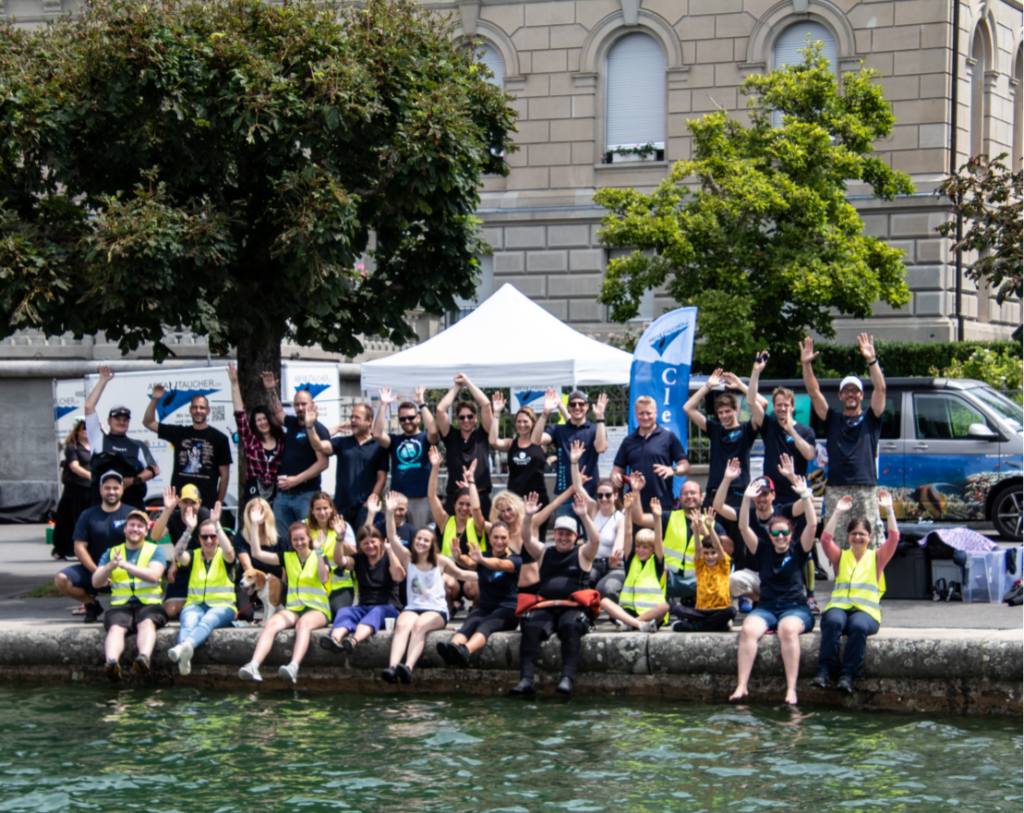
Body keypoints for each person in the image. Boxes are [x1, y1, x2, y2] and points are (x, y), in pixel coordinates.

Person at [729, 475, 818, 705]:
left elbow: (813, 524)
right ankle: (742, 686)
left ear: (790, 535)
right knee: (747, 629)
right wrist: (747, 500)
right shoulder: (762, 550)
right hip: (767, 607)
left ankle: (791, 689)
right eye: (776, 533)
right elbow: (743, 526)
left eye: (784, 533)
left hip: (795, 609)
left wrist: (805, 494)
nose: (780, 537)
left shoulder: (799, 551)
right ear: (769, 535)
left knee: (787, 630)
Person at [381, 493, 478, 683]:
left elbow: (463, 575)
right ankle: (392, 667)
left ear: (432, 544)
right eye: (418, 539)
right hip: (413, 608)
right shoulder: (409, 559)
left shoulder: (440, 561)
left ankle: (407, 667)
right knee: (402, 624)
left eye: (426, 540)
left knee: (418, 626)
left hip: (436, 611)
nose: (421, 543)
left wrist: (489, 575)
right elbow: (392, 537)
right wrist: (389, 512)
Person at [801, 333, 886, 549]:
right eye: (846, 391)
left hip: (865, 487)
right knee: (837, 544)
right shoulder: (832, 420)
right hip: (837, 488)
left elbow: (881, 389)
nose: (850, 395)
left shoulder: (871, 418)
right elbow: (813, 391)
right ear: (840, 396)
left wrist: (871, 360)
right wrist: (806, 364)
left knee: (870, 543)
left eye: (854, 391)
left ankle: (871, 583)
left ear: (861, 395)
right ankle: (841, 582)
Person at [512, 492, 601, 696]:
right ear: (555, 534)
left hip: (574, 606)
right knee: (531, 628)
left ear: (575, 536)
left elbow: (595, 540)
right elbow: (526, 538)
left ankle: (566, 679)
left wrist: (584, 516)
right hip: (546, 606)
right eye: (559, 533)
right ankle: (526, 680)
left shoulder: (583, 553)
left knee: (570, 627)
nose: (563, 537)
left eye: (568, 534)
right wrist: (527, 516)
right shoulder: (544, 551)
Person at [811, 491, 900, 693]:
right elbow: (825, 539)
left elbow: (894, 538)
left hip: (866, 613)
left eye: (862, 534)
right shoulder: (840, 556)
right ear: (848, 537)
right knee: (833, 622)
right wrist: (837, 512)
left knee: (858, 626)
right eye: (854, 534)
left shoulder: (877, 557)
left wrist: (888, 510)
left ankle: (848, 675)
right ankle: (824, 671)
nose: (858, 537)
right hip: (839, 609)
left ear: (869, 537)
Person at [239, 517, 332, 684]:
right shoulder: (287, 557)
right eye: (295, 539)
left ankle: (293, 667)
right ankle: (253, 665)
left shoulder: (320, 555)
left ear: (309, 538)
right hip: (294, 608)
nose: (299, 542)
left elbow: (324, 578)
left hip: (318, 609)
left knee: (302, 624)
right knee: (271, 624)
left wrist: (318, 551)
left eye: (302, 538)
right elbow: (256, 554)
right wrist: (254, 525)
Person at [714, 456, 813, 612]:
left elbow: (809, 499)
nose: (761, 498)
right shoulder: (747, 513)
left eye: (765, 494)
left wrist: (791, 476)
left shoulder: (784, 511)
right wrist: (726, 479)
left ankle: (783, 599)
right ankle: (760, 599)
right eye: (758, 494)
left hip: (782, 573)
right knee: (732, 581)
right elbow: (718, 507)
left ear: (773, 495)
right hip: (756, 575)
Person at [91, 509, 167, 680]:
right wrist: (110, 566)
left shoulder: (156, 550)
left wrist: (126, 566)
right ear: (124, 529)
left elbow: (154, 576)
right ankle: (111, 663)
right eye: (131, 525)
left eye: (140, 526)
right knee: (116, 628)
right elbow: (95, 582)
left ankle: (143, 658)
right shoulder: (111, 552)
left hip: (149, 604)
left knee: (146, 623)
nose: (135, 529)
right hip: (121, 605)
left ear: (146, 531)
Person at [629, 472, 729, 601]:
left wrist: (706, 533)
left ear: (702, 497)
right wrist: (636, 491)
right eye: (685, 494)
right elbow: (639, 519)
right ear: (680, 499)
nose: (689, 496)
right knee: (655, 566)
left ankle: (698, 606)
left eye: (693, 493)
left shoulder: (711, 522)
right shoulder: (668, 517)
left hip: (698, 580)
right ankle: (659, 608)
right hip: (669, 578)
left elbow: (729, 548)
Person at [437, 520, 522, 668]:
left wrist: (481, 560)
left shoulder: (515, 559)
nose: (499, 541)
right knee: (470, 623)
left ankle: (465, 651)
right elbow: (470, 563)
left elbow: (499, 564)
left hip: (508, 610)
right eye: (495, 537)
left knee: (485, 623)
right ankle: (451, 648)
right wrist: (458, 557)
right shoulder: (483, 555)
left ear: (509, 538)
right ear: (489, 538)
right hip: (485, 606)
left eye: (503, 537)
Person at [166, 505, 237, 676]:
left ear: (218, 537)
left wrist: (217, 524)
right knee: (188, 622)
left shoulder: (224, 555)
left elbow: (229, 551)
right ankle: (184, 657)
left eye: (213, 536)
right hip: (195, 604)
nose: (209, 540)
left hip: (223, 606)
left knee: (207, 620)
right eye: (204, 536)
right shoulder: (194, 555)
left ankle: (183, 646)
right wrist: (189, 529)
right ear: (199, 538)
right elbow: (178, 554)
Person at [683, 366, 765, 512]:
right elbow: (688, 408)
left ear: (736, 410)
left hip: (737, 491)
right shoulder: (715, 429)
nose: (724, 415)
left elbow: (763, 404)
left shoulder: (746, 429)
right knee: (710, 534)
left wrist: (740, 385)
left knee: (733, 535)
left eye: (728, 411)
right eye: (720, 413)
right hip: (714, 491)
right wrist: (708, 386)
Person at [55, 471, 132, 623]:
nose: (111, 492)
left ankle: (130, 607)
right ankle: (91, 604)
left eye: (116, 488)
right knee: (61, 579)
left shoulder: (132, 513)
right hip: (94, 570)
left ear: (122, 490)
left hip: (125, 572)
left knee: (122, 617)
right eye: (107, 488)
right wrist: (98, 572)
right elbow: (79, 547)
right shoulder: (87, 515)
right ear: (100, 490)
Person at [143, 382, 232, 508]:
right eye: (195, 407)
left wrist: (219, 504)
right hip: (179, 502)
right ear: (190, 410)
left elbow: (225, 476)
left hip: (206, 503)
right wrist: (155, 399)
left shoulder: (220, 438)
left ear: (208, 411)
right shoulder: (179, 433)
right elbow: (148, 423)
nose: (198, 411)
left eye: (202, 408)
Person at [320, 525, 406, 655]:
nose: (370, 546)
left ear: (380, 541)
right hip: (364, 607)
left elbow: (399, 576)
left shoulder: (389, 558)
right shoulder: (359, 559)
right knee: (344, 611)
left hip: (389, 608)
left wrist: (390, 551)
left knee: (377, 611)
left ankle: (354, 640)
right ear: (360, 544)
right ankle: (334, 640)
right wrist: (339, 539)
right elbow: (339, 561)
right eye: (365, 543)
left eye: (373, 542)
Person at [261, 371, 330, 530]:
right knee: (284, 541)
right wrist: (271, 390)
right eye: (297, 404)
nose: (300, 408)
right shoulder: (292, 423)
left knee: (309, 538)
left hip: (306, 496)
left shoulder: (319, 430)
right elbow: (278, 413)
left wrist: (296, 480)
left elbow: (323, 463)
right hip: (283, 495)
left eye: (304, 404)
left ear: (312, 405)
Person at [746, 352, 817, 505]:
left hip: (796, 495)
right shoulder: (768, 426)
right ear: (774, 406)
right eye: (779, 405)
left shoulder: (806, 431)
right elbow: (751, 401)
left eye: (786, 405)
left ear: (793, 406)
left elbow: (810, 454)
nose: (782, 408)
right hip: (772, 495)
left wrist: (791, 430)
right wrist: (756, 372)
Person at [83, 366, 159, 508]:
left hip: (132, 505)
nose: (121, 422)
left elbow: (154, 469)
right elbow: (88, 407)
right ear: (109, 421)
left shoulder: (137, 445)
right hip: (102, 506)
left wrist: (133, 481)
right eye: (117, 418)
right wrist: (103, 381)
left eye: (125, 419)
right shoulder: (98, 439)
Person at [530, 388, 609, 519]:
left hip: (589, 494)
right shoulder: (558, 429)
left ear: (587, 406)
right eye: (573, 404)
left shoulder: (596, 429)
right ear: (568, 407)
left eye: (581, 404)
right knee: (564, 538)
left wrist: (600, 417)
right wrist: (545, 412)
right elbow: (535, 440)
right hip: (564, 496)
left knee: (592, 538)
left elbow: (601, 448)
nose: (577, 407)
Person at [306, 401, 388, 527]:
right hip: (341, 506)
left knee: (363, 542)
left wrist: (369, 503)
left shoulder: (379, 446)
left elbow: (381, 478)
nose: (353, 420)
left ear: (369, 421)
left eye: (357, 418)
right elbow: (319, 445)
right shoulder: (341, 442)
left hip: (364, 507)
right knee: (341, 542)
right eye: (352, 417)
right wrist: (310, 427)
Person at [427, 446, 487, 613]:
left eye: (468, 504)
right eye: (461, 503)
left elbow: (476, 508)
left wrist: (472, 483)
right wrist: (435, 468)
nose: (464, 507)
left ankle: (476, 608)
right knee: (442, 581)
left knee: (477, 585)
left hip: (472, 573)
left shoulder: (476, 523)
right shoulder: (446, 521)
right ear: (454, 504)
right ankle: (450, 607)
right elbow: (432, 497)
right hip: (451, 574)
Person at [371, 385, 439, 529]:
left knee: (420, 540)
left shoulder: (425, 438)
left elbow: (433, 431)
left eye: (411, 417)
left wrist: (421, 403)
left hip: (421, 498)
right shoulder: (395, 440)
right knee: (396, 538)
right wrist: (383, 405)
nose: (407, 421)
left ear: (418, 417)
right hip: (397, 499)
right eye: (403, 419)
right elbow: (377, 434)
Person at [600, 494, 670, 632]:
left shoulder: (657, 562)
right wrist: (628, 510)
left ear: (652, 549)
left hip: (650, 612)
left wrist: (657, 517)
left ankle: (630, 624)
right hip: (628, 611)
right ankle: (639, 625)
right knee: (604, 602)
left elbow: (658, 539)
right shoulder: (631, 559)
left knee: (665, 607)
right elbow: (628, 534)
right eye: (638, 546)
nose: (639, 550)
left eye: (644, 547)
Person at [567, 440, 625, 598]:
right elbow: (578, 487)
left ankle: (618, 614)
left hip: (614, 565)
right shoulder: (593, 509)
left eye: (608, 495)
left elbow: (619, 542)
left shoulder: (620, 517)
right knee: (577, 584)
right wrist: (574, 461)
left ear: (616, 496)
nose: (604, 499)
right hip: (593, 563)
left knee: (605, 589)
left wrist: (616, 554)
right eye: (600, 495)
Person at [611, 395, 688, 510]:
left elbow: (686, 467)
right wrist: (615, 476)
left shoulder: (668, 437)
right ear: (636, 414)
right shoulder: (628, 441)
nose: (645, 417)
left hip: (663, 504)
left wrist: (673, 469)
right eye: (641, 413)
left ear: (656, 413)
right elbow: (616, 471)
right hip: (634, 504)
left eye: (649, 413)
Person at [489, 392, 550, 537]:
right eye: (519, 421)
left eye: (526, 421)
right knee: (517, 537)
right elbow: (493, 441)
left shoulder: (542, 442)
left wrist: (546, 411)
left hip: (537, 499)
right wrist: (496, 413)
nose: (522, 425)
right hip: (515, 500)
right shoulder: (511, 443)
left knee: (536, 539)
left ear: (533, 423)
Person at [669, 508, 738, 633]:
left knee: (731, 611)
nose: (710, 556)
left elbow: (718, 546)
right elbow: (698, 548)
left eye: (713, 553)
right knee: (677, 609)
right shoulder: (700, 566)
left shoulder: (723, 565)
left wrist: (710, 528)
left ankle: (696, 626)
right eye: (707, 553)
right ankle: (716, 626)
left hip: (720, 610)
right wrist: (695, 529)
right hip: (701, 611)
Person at [435, 373, 493, 519]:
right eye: (461, 417)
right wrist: (457, 387)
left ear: (476, 418)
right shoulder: (450, 436)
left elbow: (486, 404)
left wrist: (467, 382)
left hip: (480, 496)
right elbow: (440, 410)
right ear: (457, 419)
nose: (466, 420)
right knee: (453, 540)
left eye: (470, 416)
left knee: (482, 540)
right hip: (455, 498)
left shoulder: (483, 433)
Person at [150, 484, 212, 621]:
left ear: (199, 503)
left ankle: (192, 606)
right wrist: (167, 510)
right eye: (185, 502)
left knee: (191, 610)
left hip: (201, 567)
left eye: (193, 503)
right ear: (179, 502)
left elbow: (208, 547)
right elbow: (155, 536)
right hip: (182, 571)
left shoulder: (204, 514)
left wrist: (176, 562)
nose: (189, 506)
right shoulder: (174, 517)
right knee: (170, 612)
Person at [228, 361, 284, 507]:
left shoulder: (282, 440)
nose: (262, 422)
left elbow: (279, 412)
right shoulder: (250, 440)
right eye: (258, 420)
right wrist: (234, 384)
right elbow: (240, 414)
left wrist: (272, 391)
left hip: (278, 492)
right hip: (253, 490)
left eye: (265, 418)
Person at [304, 491, 357, 615]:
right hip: (314, 582)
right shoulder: (304, 526)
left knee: (337, 613)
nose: (322, 512)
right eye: (318, 509)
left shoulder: (344, 526)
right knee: (317, 613)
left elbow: (354, 555)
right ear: (312, 510)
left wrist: (341, 536)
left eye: (325, 508)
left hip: (340, 584)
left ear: (331, 508)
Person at [52, 420, 92, 560]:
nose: (87, 431)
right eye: (84, 429)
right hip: (74, 489)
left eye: (89, 428)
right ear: (78, 431)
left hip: (90, 489)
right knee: (69, 520)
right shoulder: (72, 446)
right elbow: (74, 466)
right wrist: (90, 475)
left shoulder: (96, 445)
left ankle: (86, 550)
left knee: (88, 520)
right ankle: (61, 550)